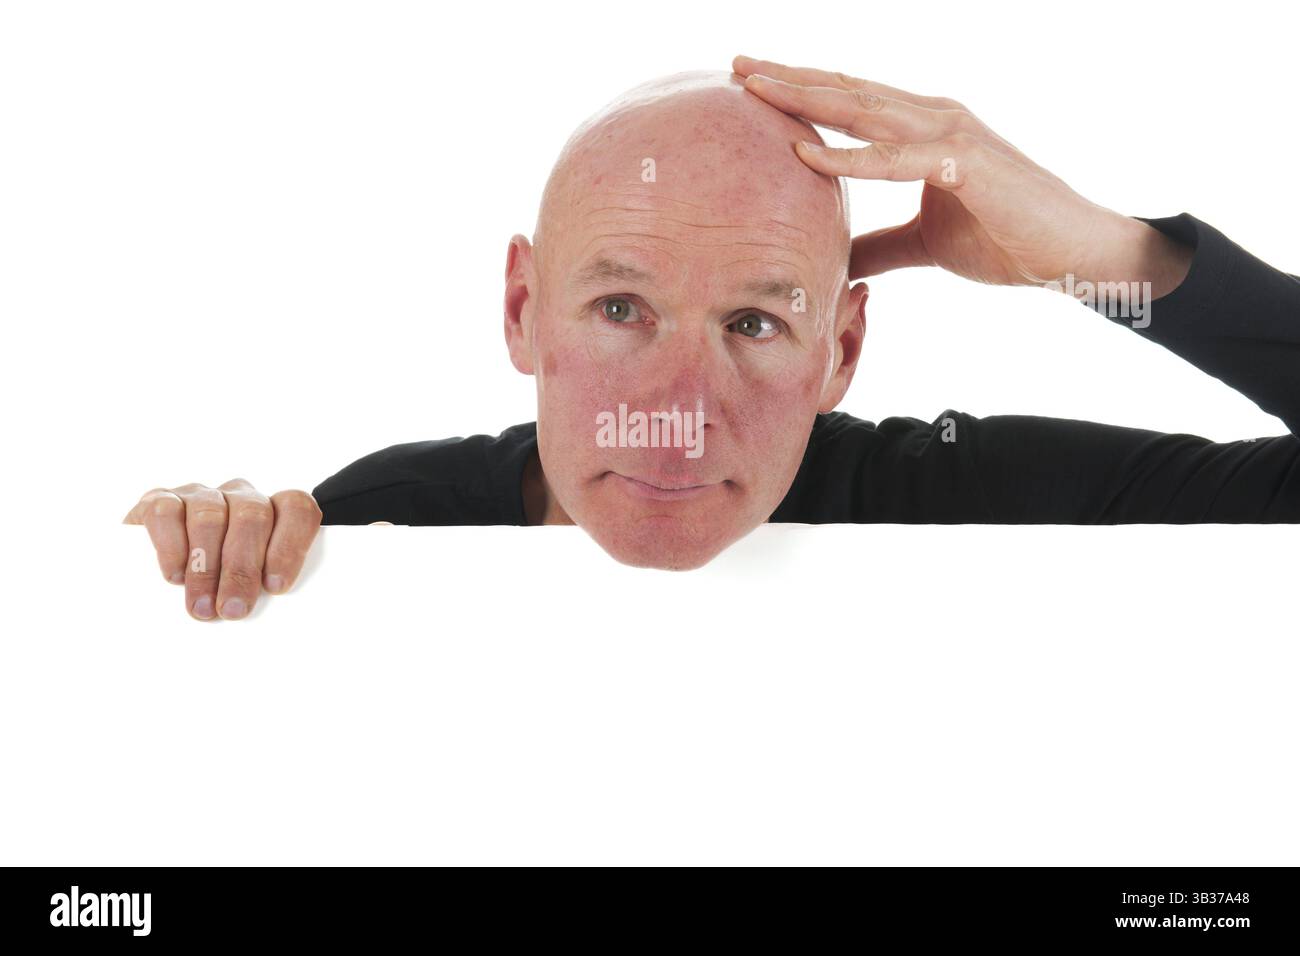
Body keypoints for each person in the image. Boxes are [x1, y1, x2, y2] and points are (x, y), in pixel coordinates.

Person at [123, 58, 1300, 621]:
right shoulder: (389, 524)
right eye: (622, 308)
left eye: (754, 320)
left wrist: (1109, 256)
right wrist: (194, 553)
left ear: (840, 351)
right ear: (524, 311)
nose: (680, 403)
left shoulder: (954, 496)